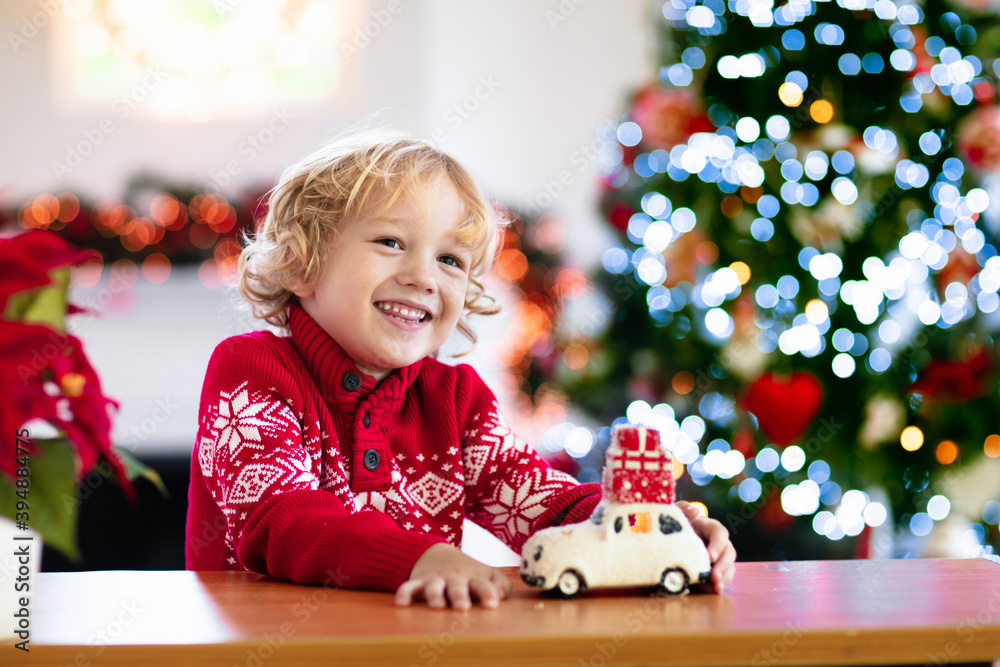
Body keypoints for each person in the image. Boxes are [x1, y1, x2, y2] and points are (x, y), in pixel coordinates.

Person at [185, 130, 736, 609]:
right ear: (303, 264)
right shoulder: (252, 370)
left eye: (450, 260)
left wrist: (642, 525)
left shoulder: (455, 400)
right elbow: (280, 519)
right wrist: (416, 558)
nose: (425, 277)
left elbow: (537, 499)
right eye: (390, 242)